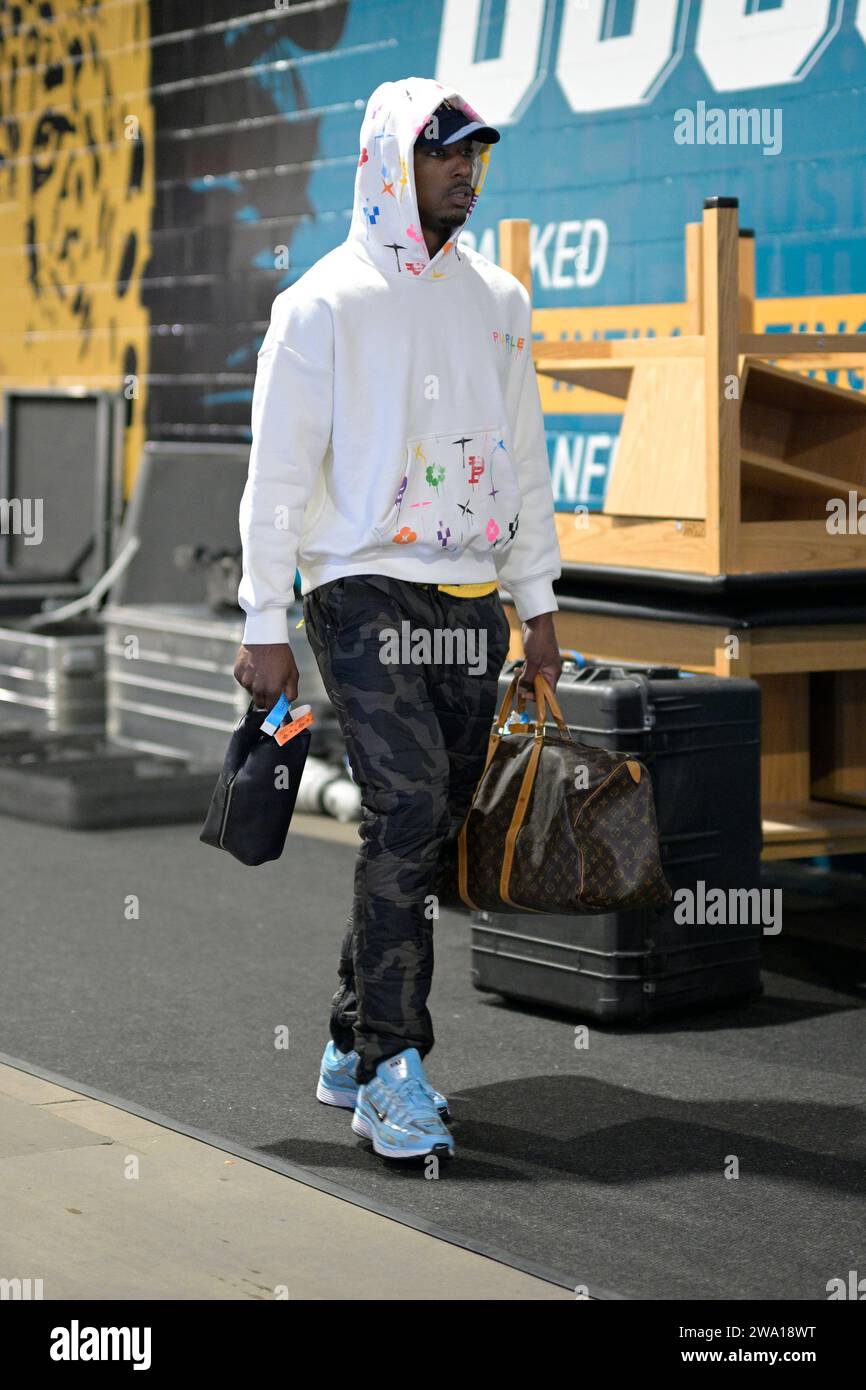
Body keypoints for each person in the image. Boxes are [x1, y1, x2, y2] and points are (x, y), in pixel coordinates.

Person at [233, 77, 562, 1162]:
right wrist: (261, 615)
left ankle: (345, 1039)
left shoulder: (499, 301)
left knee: (420, 826)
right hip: (359, 585)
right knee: (410, 802)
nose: (464, 170)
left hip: (469, 595)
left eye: (475, 153)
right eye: (443, 152)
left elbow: (521, 457)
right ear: (389, 159)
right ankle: (389, 1068)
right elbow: (277, 472)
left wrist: (536, 601)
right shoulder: (321, 303)